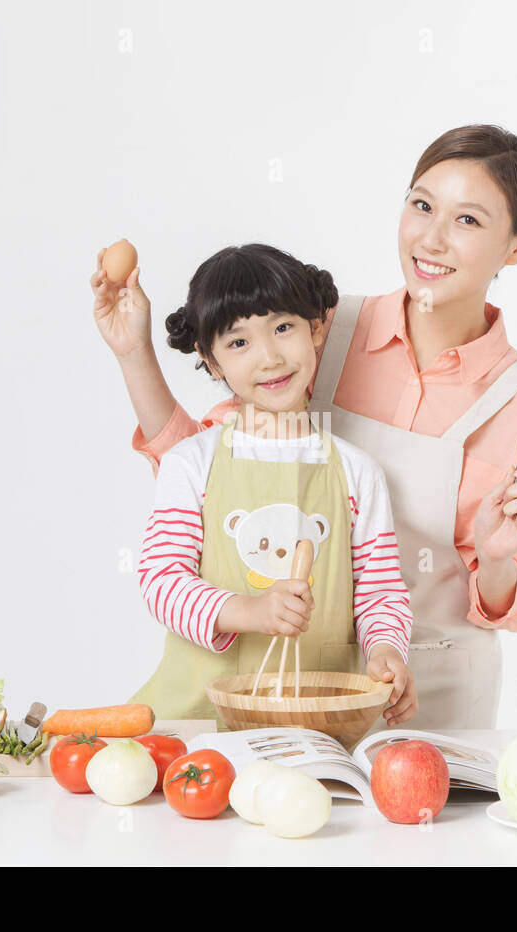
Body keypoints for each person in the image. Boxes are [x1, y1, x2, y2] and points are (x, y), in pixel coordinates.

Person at [95, 125, 517, 730]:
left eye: (468, 221)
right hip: (295, 686)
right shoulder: (320, 328)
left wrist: (497, 562)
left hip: (435, 695)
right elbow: (216, 469)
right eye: (421, 205)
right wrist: (135, 354)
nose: (432, 238)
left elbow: (513, 602)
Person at [92, 243, 416, 723]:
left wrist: (387, 649)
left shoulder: (358, 473)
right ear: (212, 360)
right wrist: (248, 611)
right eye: (238, 342)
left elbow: (380, 592)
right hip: (200, 721)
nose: (269, 358)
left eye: (283, 327)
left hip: (315, 720)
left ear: (317, 329)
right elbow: (162, 579)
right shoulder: (191, 463)